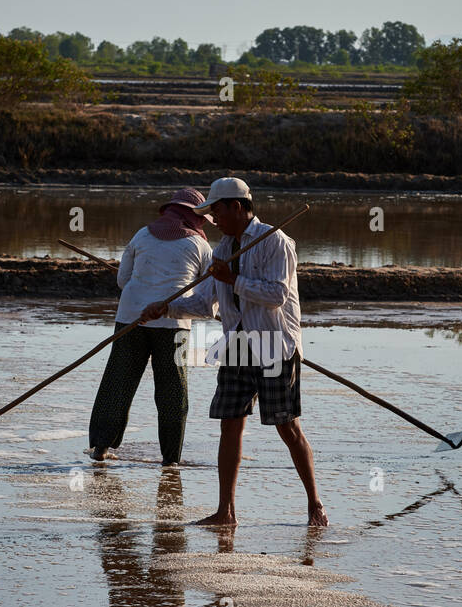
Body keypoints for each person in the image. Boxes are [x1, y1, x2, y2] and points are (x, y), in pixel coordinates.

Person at [140, 176, 328, 526]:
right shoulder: (223, 250)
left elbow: (276, 296)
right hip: (237, 345)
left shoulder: (276, 242)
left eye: (217, 211)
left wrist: (233, 280)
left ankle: (315, 504)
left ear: (237, 207)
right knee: (230, 424)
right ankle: (225, 511)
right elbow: (205, 303)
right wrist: (165, 308)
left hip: (275, 346)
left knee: (287, 427)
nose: (213, 219)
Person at [88, 186, 212, 466]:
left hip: (131, 318)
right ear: (196, 217)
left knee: (118, 382)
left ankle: (100, 448)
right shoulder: (201, 246)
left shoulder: (141, 235)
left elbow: (123, 281)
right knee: (172, 391)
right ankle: (171, 459)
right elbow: (207, 293)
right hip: (174, 324)